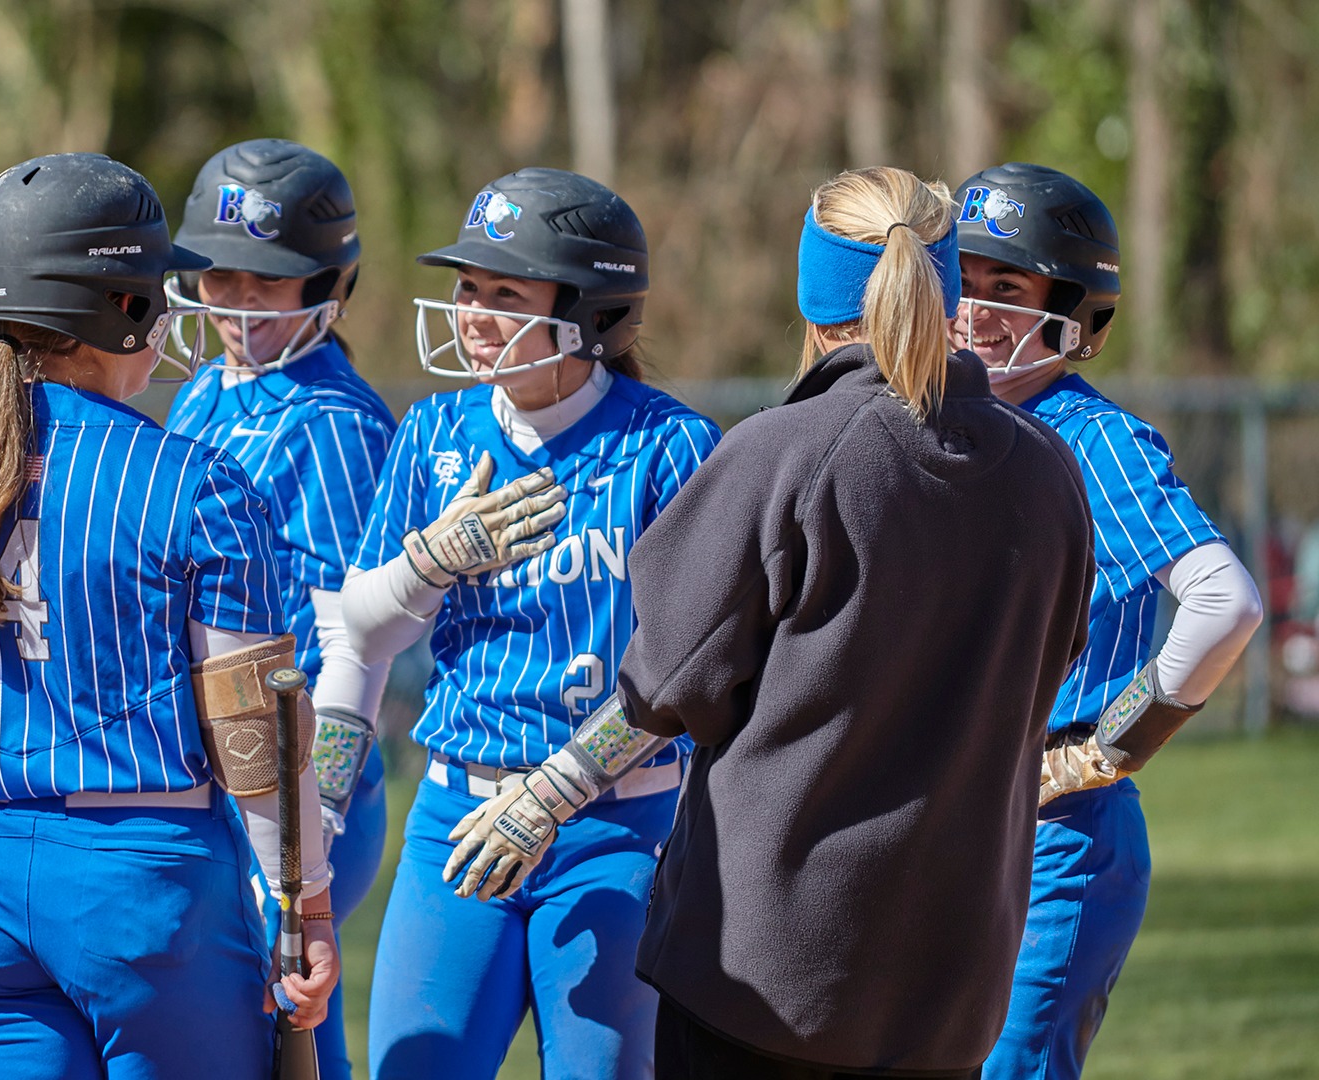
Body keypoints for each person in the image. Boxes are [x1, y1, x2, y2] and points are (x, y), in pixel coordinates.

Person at [0, 152, 339, 1080]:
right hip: (144, 886)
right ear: (120, 310)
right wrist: (307, 903)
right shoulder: (194, 484)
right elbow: (255, 734)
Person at [618, 165, 1096, 1079]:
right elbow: (1056, 654)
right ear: (948, 283)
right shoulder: (1049, 469)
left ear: (815, 292)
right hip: (952, 982)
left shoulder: (783, 453)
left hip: (764, 974)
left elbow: (663, 688)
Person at [347, 168, 723, 1080]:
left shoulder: (670, 448)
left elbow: (683, 671)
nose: (471, 311)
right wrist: (425, 565)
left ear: (590, 313)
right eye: (468, 287)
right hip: (456, 814)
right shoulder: (434, 432)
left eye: (504, 292)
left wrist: (554, 792)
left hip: (616, 825)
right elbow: (359, 630)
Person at [950, 162, 1264, 1080]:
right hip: (952, 821)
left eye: (1006, 285)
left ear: (1077, 316)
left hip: (1060, 834)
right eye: (963, 278)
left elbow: (1225, 602)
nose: (973, 308)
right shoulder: (934, 423)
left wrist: (1107, 749)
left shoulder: (1097, 440)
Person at [164, 137, 397, 1080]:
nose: (234, 302)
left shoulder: (336, 422)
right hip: (217, 779)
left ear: (333, 285)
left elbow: (341, 642)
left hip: (294, 782)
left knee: (286, 1029)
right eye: (219, 274)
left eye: (266, 280)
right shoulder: (203, 395)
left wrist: (313, 817)